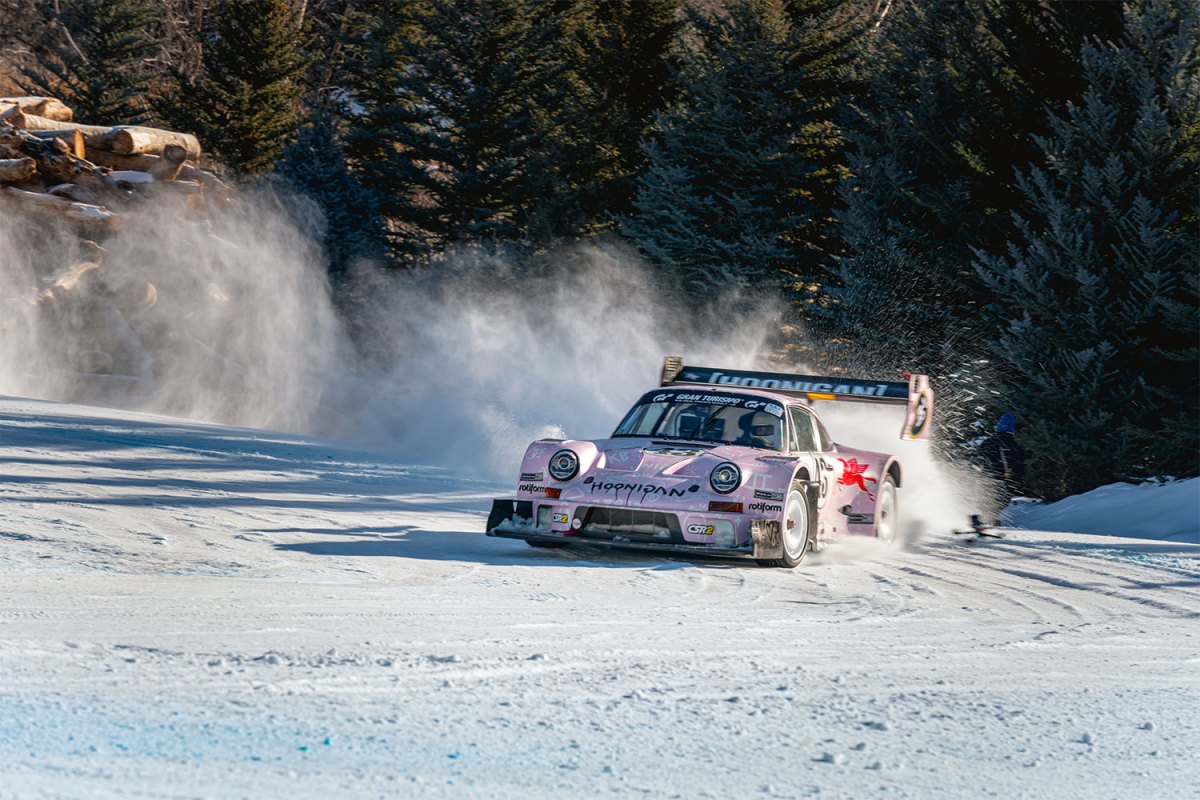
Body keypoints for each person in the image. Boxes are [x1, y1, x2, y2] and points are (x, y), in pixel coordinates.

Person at [978, 412, 1025, 497]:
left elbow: (979, 457)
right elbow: (1018, 461)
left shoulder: (988, 442)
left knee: (987, 500)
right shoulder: (1012, 443)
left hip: (987, 477)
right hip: (1004, 479)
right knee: (1000, 499)